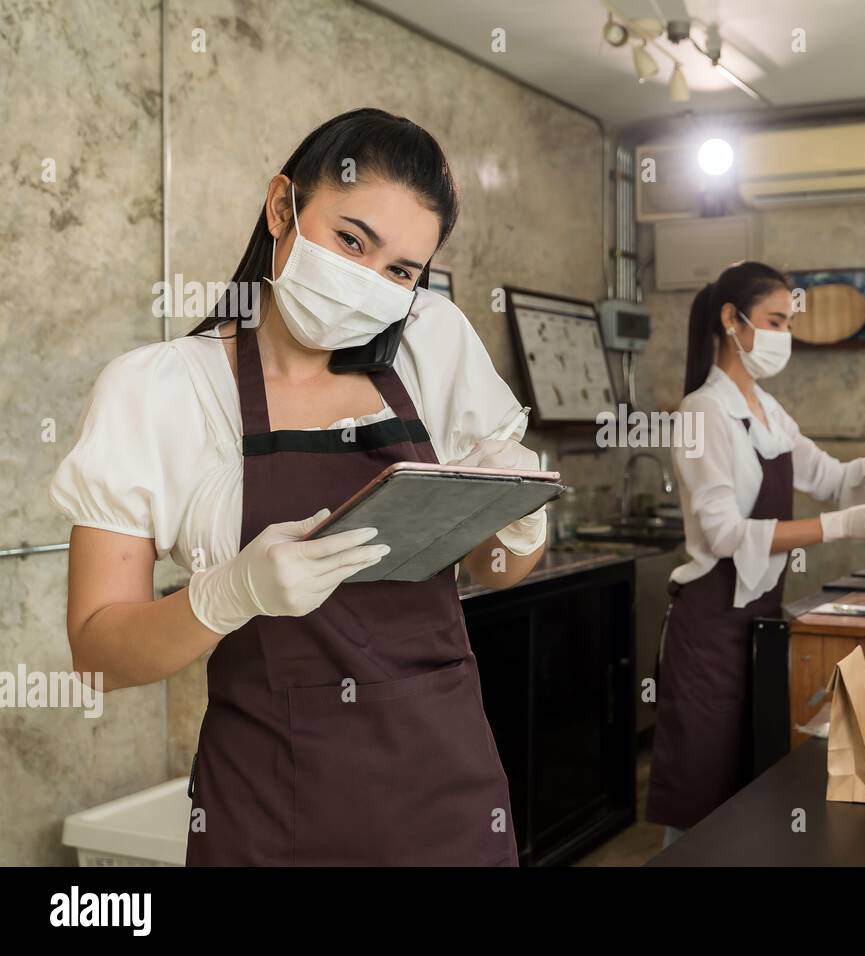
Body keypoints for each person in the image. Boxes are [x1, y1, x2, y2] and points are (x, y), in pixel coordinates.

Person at [49, 108, 546, 865]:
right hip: (272, 817)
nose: (369, 284)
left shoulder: (433, 346)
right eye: (351, 240)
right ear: (282, 206)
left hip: (451, 801)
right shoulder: (159, 392)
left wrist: (519, 526)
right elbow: (97, 656)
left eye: (400, 271)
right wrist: (226, 594)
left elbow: (496, 573)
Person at [645, 261, 865, 842]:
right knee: (698, 797)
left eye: (788, 323)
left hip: (760, 619)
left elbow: (839, 480)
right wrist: (845, 526)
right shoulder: (703, 413)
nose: (783, 336)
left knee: (747, 783)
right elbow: (724, 534)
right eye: (774, 320)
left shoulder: (770, 413)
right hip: (708, 625)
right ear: (731, 319)